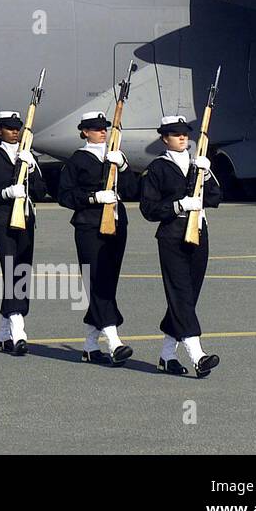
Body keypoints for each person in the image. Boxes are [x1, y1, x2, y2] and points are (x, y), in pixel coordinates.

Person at [139, 114, 223, 377]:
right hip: (172, 236)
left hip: (199, 233)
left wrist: (207, 174)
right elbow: (148, 209)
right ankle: (197, 355)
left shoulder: (198, 164)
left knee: (188, 296)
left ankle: (167, 354)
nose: (183, 137)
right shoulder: (158, 168)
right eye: (176, 134)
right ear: (165, 139)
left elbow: (215, 197)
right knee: (180, 293)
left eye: (185, 132)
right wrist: (177, 205)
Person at [56, 111, 140, 365]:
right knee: (97, 280)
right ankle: (114, 342)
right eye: (95, 128)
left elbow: (134, 191)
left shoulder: (115, 157)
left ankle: (90, 346)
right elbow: (64, 195)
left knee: (108, 282)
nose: (102, 131)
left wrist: (123, 167)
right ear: (84, 132)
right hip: (89, 226)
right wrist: (93, 198)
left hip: (116, 224)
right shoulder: (78, 160)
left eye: (104, 127)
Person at [0, 111, 48, 355]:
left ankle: (4, 334)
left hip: (25, 219)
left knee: (22, 271)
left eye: (17, 127)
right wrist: (4, 193)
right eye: (8, 127)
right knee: (11, 269)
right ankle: (18, 328)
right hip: (2, 220)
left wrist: (32, 169)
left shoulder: (28, 156)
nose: (15, 131)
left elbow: (42, 192)